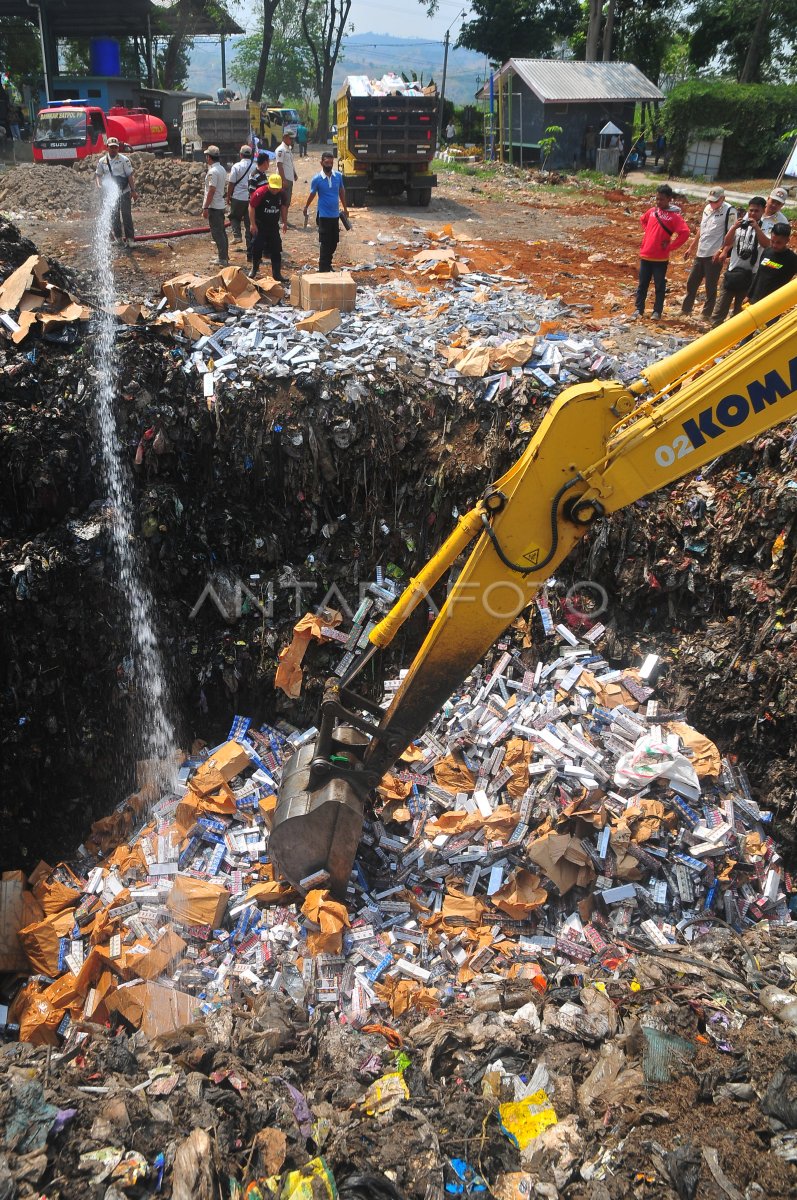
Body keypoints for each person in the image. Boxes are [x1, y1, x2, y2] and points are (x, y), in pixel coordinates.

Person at [633, 183, 690, 320]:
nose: (658, 202)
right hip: (646, 255)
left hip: (660, 259)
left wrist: (671, 246)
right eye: (657, 199)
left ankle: (657, 311)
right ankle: (638, 309)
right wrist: (648, 233)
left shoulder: (674, 217)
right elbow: (643, 220)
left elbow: (685, 233)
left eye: (662, 199)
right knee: (642, 285)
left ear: (669, 199)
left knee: (659, 285)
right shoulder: (652, 211)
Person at [681, 185, 736, 322]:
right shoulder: (707, 209)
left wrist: (723, 252)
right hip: (701, 252)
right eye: (710, 201)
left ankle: (706, 313)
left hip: (714, 255)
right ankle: (685, 309)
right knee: (691, 282)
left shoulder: (730, 211)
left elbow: (733, 236)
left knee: (710, 286)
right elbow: (702, 229)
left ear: (723, 198)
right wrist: (691, 247)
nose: (712, 204)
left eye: (715, 201)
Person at [711, 196, 770, 326]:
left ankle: (734, 338)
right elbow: (726, 242)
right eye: (751, 210)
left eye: (757, 211)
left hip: (751, 274)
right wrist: (734, 228)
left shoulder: (766, 226)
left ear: (763, 211)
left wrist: (757, 228)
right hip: (733, 271)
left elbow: (767, 244)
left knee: (740, 310)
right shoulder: (740, 222)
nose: (753, 214)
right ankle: (714, 332)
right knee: (721, 307)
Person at [303, 150, 349, 273]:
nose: (329, 165)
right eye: (327, 162)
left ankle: (327, 264)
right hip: (323, 216)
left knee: (334, 242)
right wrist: (306, 207)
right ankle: (323, 268)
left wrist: (345, 208)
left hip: (335, 215)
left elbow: (341, 192)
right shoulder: (317, 179)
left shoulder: (338, 176)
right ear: (321, 163)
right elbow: (312, 194)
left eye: (331, 162)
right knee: (325, 242)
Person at [95, 137, 138, 248]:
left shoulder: (124, 160)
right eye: (111, 147)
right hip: (110, 193)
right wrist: (99, 185)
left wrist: (133, 191)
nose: (113, 149)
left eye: (115, 147)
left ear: (118, 148)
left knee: (126, 215)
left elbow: (129, 176)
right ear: (107, 148)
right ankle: (118, 238)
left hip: (124, 191)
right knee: (114, 215)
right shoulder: (102, 161)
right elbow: (98, 175)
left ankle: (130, 239)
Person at [248, 172, 288, 282]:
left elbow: (284, 207)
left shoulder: (282, 194)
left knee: (276, 248)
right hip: (260, 225)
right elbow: (251, 206)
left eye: (277, 188)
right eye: (273, 188)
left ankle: (277, 274)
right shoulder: (260, 193)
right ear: (268, 184)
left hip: (273, 226)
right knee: (257, 247)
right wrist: (253, 224)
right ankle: (254, 269)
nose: (275, 191)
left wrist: (284, 222)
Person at [747, 222, 797, 303]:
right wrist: (749, 295)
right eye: (772, 241)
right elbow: (759, 274)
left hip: (773, 304)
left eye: (778, 243)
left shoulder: (792, 259)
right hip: (755, 300)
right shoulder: (767, 251)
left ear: (787, 240)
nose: (774, 245)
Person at [202, 144, 229, 267]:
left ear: (209, 157)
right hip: (219, 204)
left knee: (217, 233)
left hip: (214, 206)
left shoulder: (213, 171)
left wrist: (206, 207)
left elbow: (211, 190)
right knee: (221, 232)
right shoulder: (222, 169)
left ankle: (222, 258)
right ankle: (223, 255)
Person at [245, 149, 273, 261]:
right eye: (268, 162)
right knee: (254, 233)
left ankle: (261, 253)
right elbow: (252, 195)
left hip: (262, 209)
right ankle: (251, 255)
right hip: (256, 208)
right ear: (265, 162)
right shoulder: (254, 176)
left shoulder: (262, 175)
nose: (269, 164)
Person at [227, 144, 255, 247]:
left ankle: (237, 235)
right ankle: (250, 249)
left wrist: (228, 196)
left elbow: (231, 183)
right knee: (249, 224)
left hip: (238, 197)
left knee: (234, 217)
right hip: (251, 199)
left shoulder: (236, 166)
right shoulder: (255, 166)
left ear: (241, 155)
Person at [274, 128, 298, 213]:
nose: (292, 141)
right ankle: (281, 220)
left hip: (289, 178)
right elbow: (279, 165)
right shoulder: (281, 149)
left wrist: (294, 173)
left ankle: (285, 219)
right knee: (283, 200)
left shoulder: (288, 149)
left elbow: (290, 163)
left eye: (293, 139)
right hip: (284, 179)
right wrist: (283, 180)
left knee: (287, 201)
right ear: (285, 137)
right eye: (290, 138)